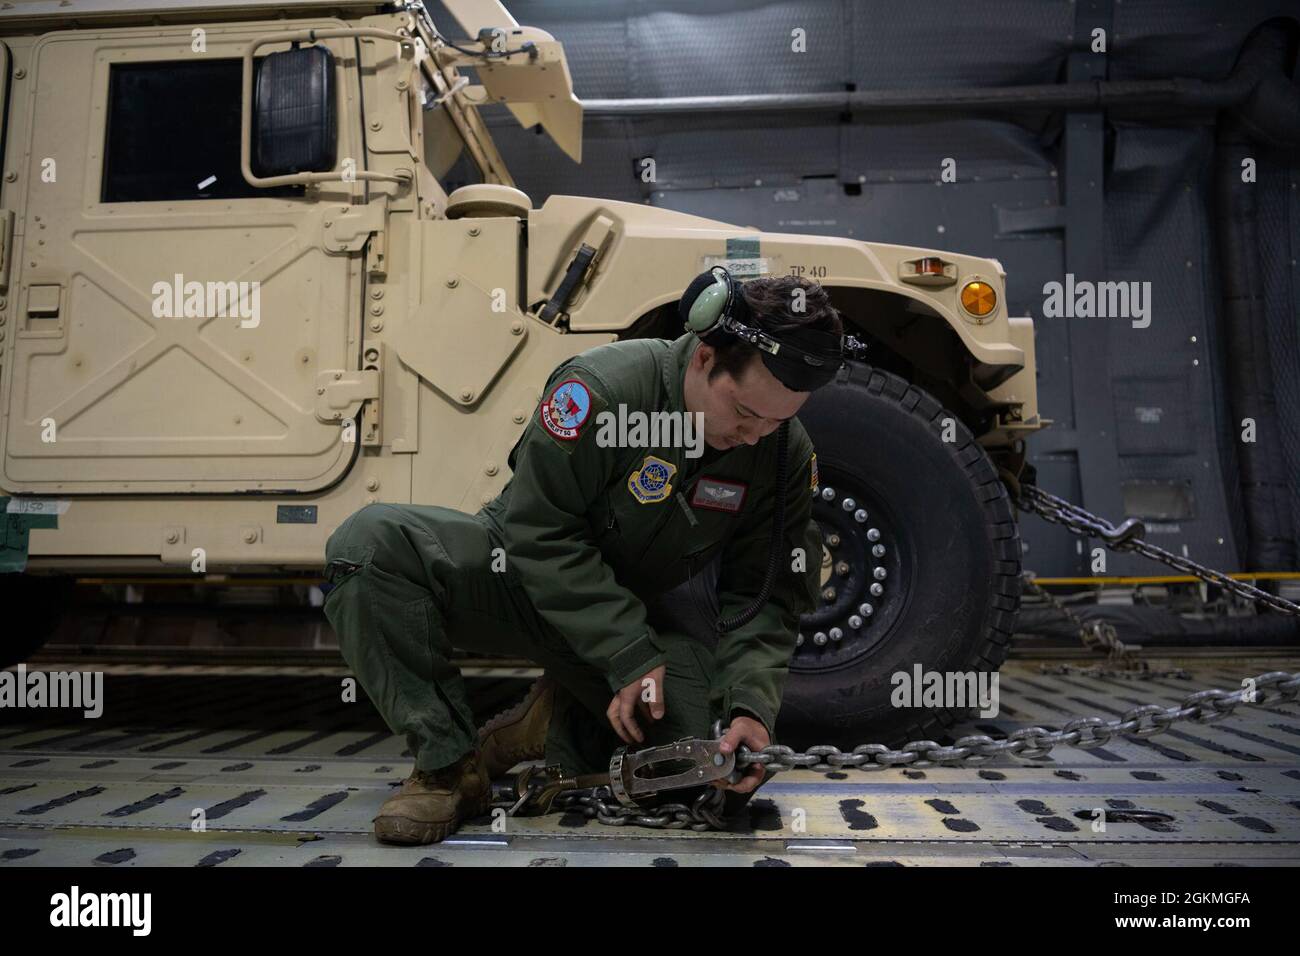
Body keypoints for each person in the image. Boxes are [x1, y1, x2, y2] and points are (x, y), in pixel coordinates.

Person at [322, 269, 847, 844]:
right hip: (514, 575)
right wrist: (624, 650)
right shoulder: (602, 390)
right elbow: (539, 529)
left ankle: (549, 727)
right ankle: (447, 766)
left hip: (632, 624)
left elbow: (763, 596)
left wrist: (750, 710)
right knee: (369, 548)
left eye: (778, 419)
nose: (755, 435)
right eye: (746, 413)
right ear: (703, 358)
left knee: (693, 765)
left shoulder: (780, 453)